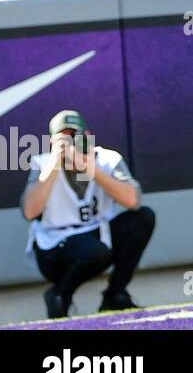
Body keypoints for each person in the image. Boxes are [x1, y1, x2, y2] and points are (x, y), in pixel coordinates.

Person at [22, 110, 155, 318]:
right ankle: (60, 295)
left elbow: (133, 201)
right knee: (94, 250)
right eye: (63, 138)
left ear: (87, 135)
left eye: (74, 136)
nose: (69, 143)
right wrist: (54, 163)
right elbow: (29, 211)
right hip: (55, 246)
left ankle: (115, 295)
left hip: (96, 235)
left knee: (143, 218)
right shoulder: (42, 163)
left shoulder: (107, 159)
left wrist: (90, 169)